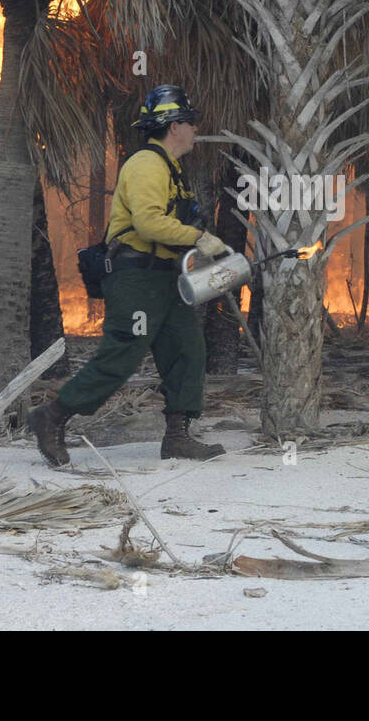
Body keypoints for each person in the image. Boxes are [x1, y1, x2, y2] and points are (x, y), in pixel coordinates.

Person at [28, 84, 231, 465]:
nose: (195, 130)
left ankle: (177, 437)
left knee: (187, 350)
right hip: (135, 278)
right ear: (175, 126)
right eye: (190, 122)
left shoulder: (171, 169)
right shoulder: (146, 165)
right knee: (122, 354)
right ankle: (52, 416)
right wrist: (200, 238)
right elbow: (150, 222)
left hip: (165, 279)